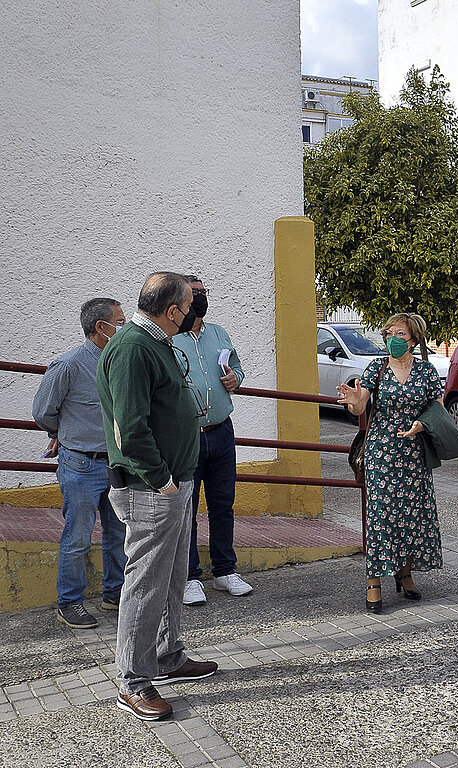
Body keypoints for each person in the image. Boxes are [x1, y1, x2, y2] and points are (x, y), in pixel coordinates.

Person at [98, 272, 218, 721]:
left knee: (170, 575)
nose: (194, 311)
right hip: (153, 487)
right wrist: (162, 479)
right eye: (190, 304)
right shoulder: (132, 348)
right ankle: (132, 681)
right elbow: (130, 428)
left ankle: (168, 655)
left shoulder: (155, 340)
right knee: (146, 582)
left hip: (173, 481)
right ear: (173, 310)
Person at [336, 313, 444, 613]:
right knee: (381, 518)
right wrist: (354, 399)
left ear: (413, 339)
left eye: (400, 334)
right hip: (382, 453)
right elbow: (361, 403)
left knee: (412, 517)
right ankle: (373, 581)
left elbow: (437, 407)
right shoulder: (377, 368)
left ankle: (404, 572)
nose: (393, 339)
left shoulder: (425, 371)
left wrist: (420, 425)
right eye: (389, 333)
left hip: (414, 454)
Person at [32, 298, 128, 630]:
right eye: (120, 320)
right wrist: (62, 431)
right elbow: (43, 411)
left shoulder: (119, 361)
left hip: (116, 464)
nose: (125, 325)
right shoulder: (69, 365)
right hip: (81, 466)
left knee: (118, 534)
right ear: (101, 327)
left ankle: (115, 593)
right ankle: (69, 602)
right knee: (78, 537)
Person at [173, 275, 252, 606]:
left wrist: (236, 378)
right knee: (186, 508)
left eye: (204, 292)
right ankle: (190, 576)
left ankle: (224, 571)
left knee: (223, 504)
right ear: (180, 302)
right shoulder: (170, 338)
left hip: (221, 431)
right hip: (187, 436)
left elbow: (236, 368)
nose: (201, 298)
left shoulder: (219, 332)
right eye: (195, 294)